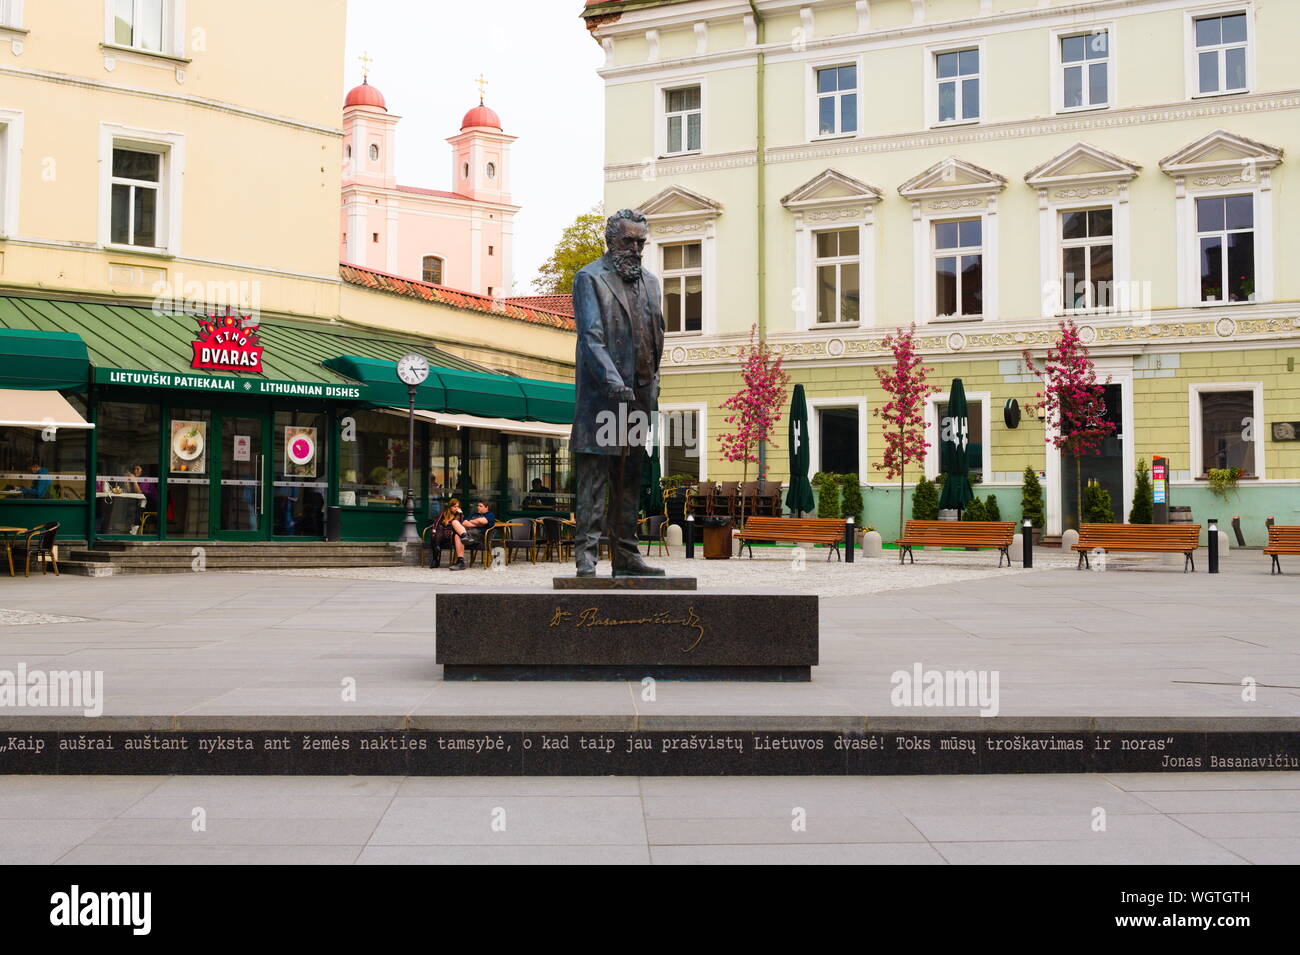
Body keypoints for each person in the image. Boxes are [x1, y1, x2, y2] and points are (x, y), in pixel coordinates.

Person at [570, 209, 665, 577]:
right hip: (602, 396)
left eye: (641, 241)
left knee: (629, 479)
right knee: (594, 478)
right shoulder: (589, 279)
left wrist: (651, 382)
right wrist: (612, 381)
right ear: (612, 241)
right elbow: (590, 338)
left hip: (640, 394)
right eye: (629, 241)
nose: (637, 249)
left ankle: (626, 555)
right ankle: (587, 556)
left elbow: (655, 334)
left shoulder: (652, 283)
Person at [448, 500, 495, 571]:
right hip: (469, 534)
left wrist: (472, 522)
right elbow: (464, 523)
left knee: (458, 535)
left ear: (486, 507)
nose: (478, 507)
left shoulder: (489, 515)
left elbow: (484, 521)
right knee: (455, 522)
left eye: (480, 506)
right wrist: (478, 522)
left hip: (479, 536)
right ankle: (461, 561)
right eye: (478, 506)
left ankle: (465, 537)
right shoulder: (474, 514)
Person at [428, 498, 462, 569]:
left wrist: (460, 514)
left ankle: (435, 559)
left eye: (457, 506)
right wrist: (434, 529)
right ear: (450, 507)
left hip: (450, 535)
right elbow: (436, 522)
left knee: (435, 536)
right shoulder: (444, 513)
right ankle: (436, 551)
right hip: (440, 535)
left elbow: (461, 525)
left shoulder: (458, 515)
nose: (456, 508)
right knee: (436, 531)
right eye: (454, 506)